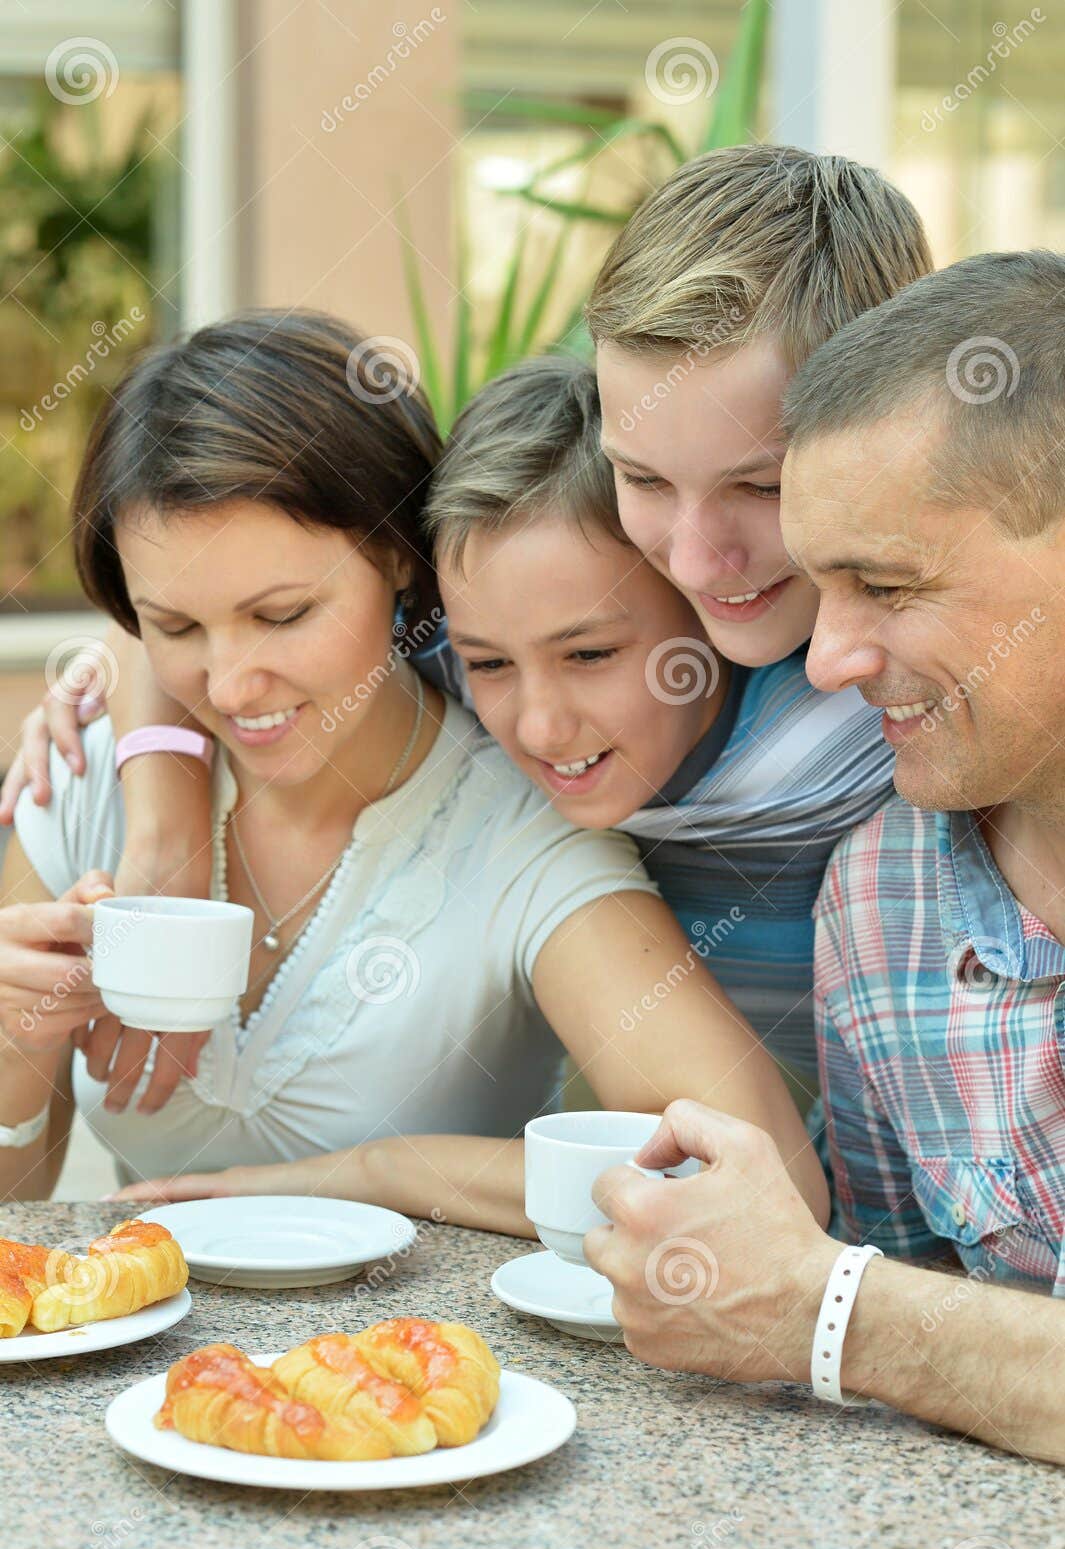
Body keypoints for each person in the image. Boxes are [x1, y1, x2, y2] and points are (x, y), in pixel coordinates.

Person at [3, 145, 932, 1122]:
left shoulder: (914, 691)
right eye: (645, 479)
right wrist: (162, 804)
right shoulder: (492, 623)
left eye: (762, 486)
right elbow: (218, 605)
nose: (695, 559)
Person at [0, 309, 823, 1227]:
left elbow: (766, 1177)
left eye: (282, 616)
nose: (230, 685)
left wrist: (378, 1172)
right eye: (177, 627)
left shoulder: (516, 829)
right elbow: (15, 1219)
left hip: (430, 1364)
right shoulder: (85, 781)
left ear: (398, 555)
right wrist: (11, 1049)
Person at [585, 252, 1065, 1466]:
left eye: (887, 585)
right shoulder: (878, 897)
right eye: (823, 581)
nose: (827, 659)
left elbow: (860, 1319)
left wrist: (827, 1311)